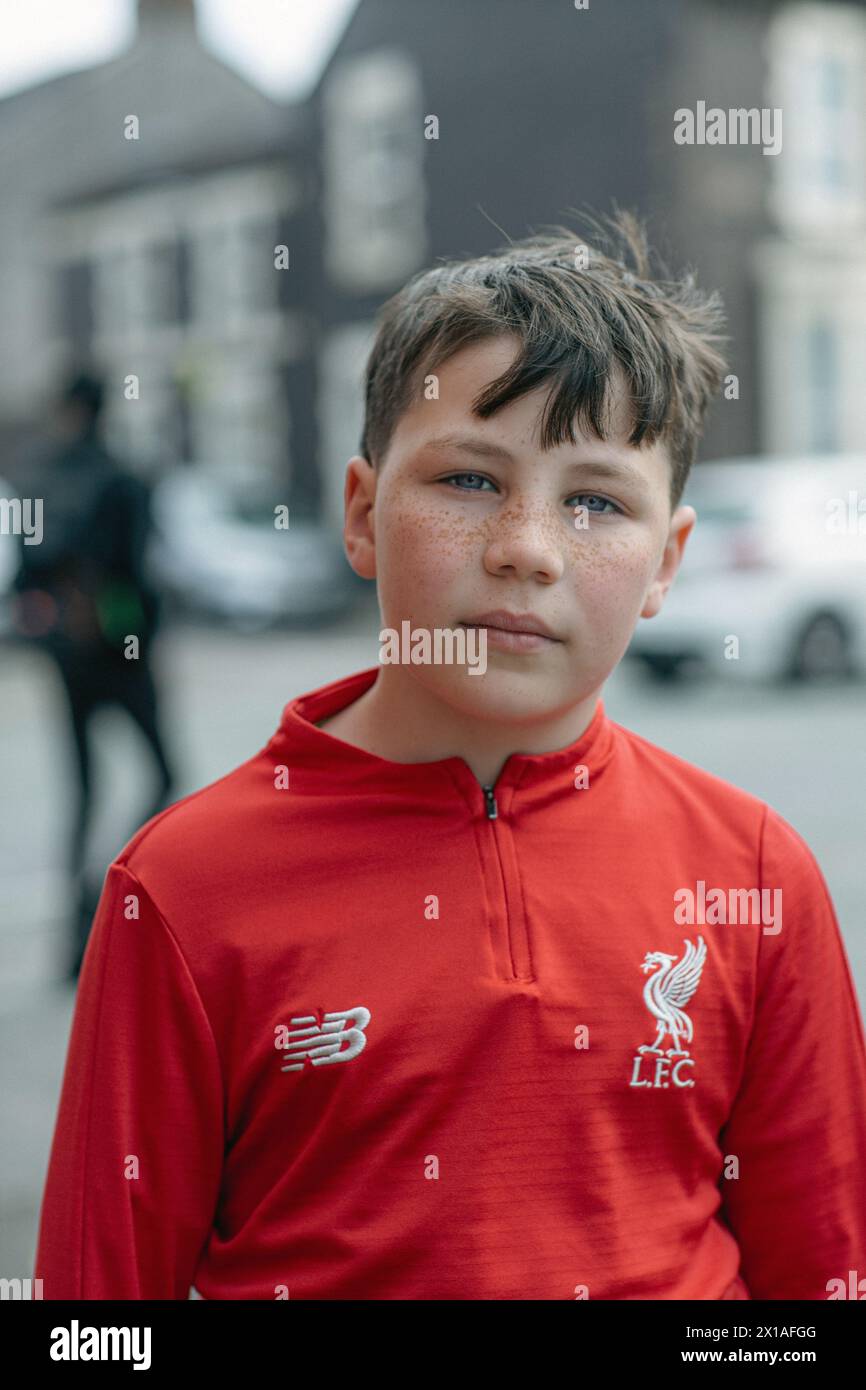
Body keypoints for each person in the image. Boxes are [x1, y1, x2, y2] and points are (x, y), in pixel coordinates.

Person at [34, 213, 866, 1299]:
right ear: (363, 514)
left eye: (594, 501)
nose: (524, 546)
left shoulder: (755, 874)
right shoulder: (182, 890)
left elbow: (819, 1279)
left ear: (665, 564)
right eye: (469, 481)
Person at [12, 370, 176, 981]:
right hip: (124, 653)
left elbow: (27, 569)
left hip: (67, 655)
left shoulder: (35, 477)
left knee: (81, 791)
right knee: (162, 774)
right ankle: (122, 902)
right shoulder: (123, 478)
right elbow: (140, 570)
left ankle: (75, 937)